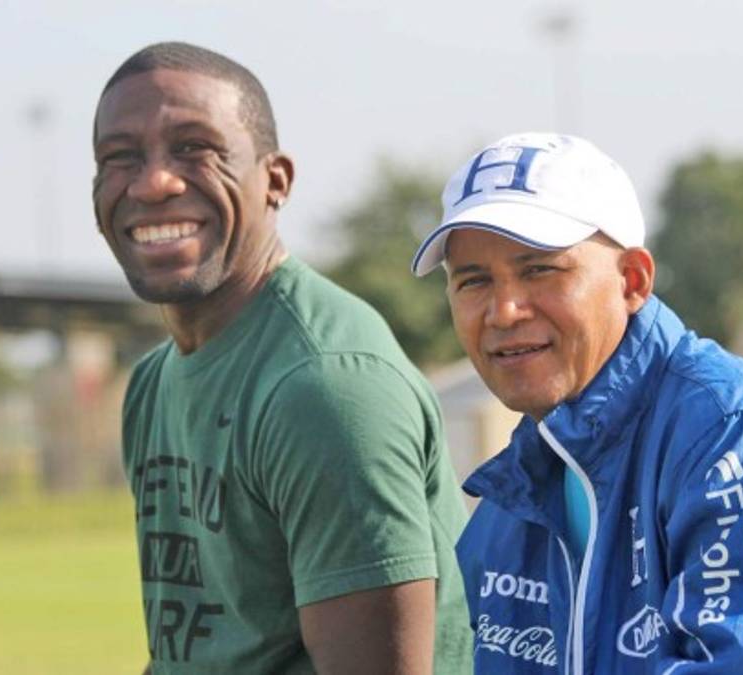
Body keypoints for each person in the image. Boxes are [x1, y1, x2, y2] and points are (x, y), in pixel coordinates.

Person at [411, 131, 743, 673]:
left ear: (632, 280)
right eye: (474, 281)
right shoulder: (518, 492)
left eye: (540, 270)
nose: (504, 310)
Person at [92, 42, 472, 674]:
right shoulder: (154, 383)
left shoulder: (324, 387)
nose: (153, 181)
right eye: (119, 157)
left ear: (276, 181)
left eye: (195, 148)